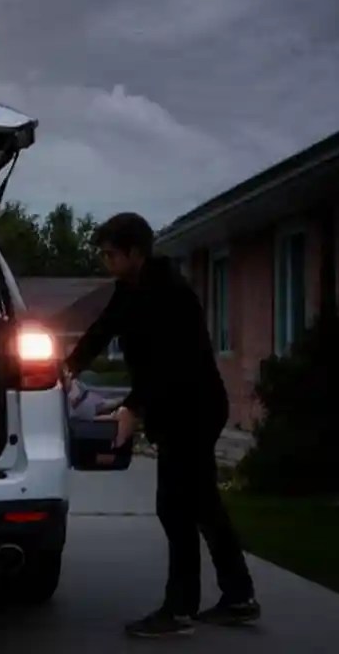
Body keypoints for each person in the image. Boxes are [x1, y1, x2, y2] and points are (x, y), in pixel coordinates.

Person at [63, 212, 259, 638]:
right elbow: (102, 329)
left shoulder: (169, 293)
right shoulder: (130, 289)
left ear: (135, 252)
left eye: (110, 254)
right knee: (203, 502)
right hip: (178, 407)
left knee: (176, 506)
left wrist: (132, 408)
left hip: (193, 409)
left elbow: (169, 364)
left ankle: (180, 609)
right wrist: (67, 367)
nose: (105, 261)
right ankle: (239, 596)